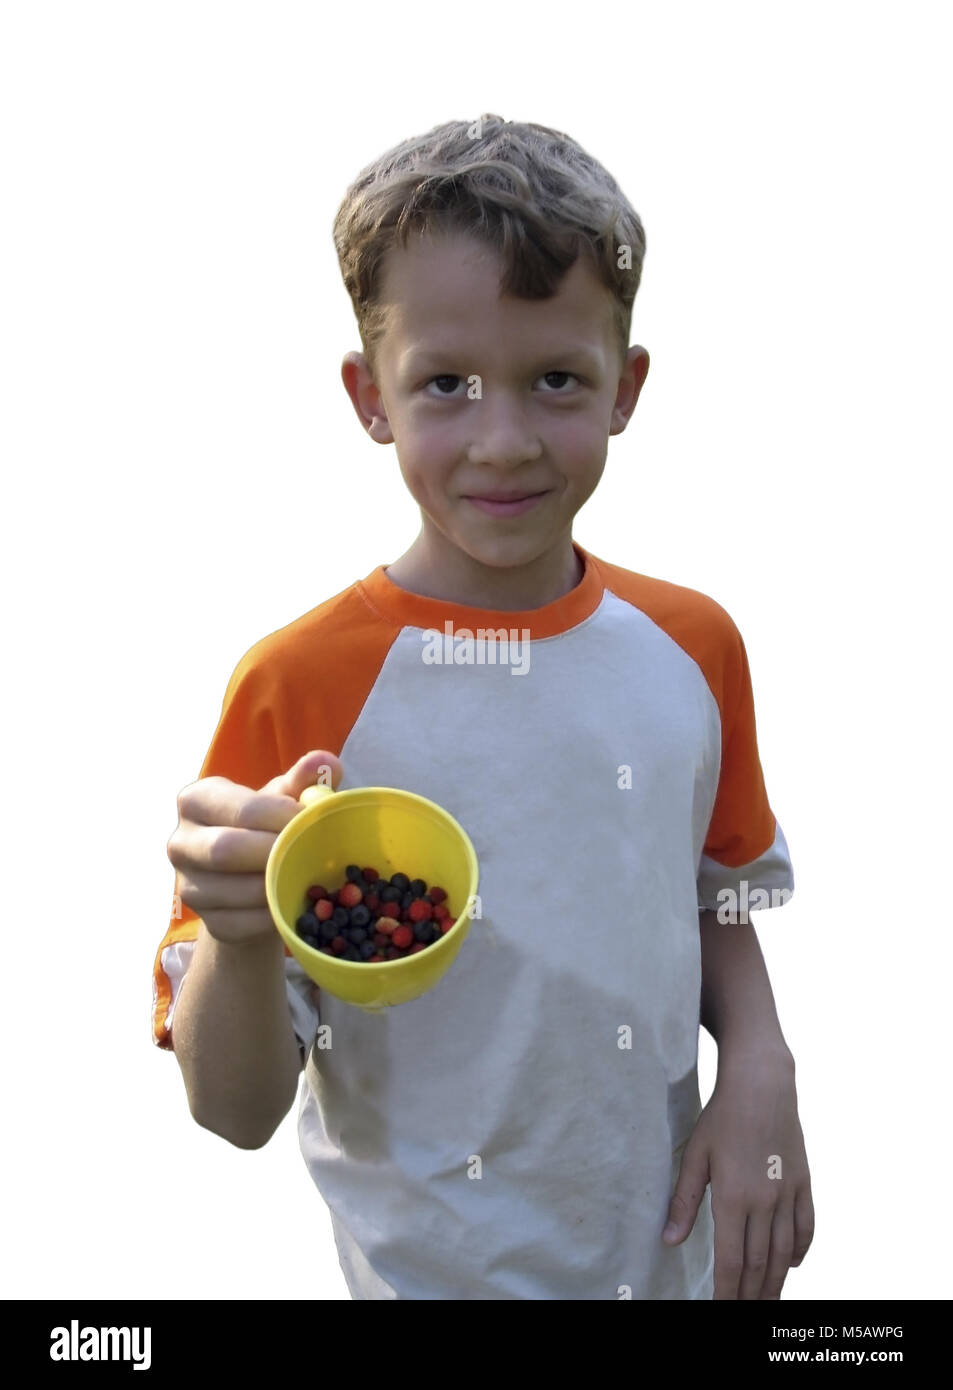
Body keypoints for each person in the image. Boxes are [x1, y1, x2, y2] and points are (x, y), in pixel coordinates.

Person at [153, 113, 814, 1300]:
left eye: (553, 378)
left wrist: (761, 1066)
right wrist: (241, 935)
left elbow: (719, 891)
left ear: (626, 386)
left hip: (666, 1266)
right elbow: (230, 1109)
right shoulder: (296, 688)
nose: (501, 441)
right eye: (444, 385)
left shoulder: (691, 646)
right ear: (369, 397)